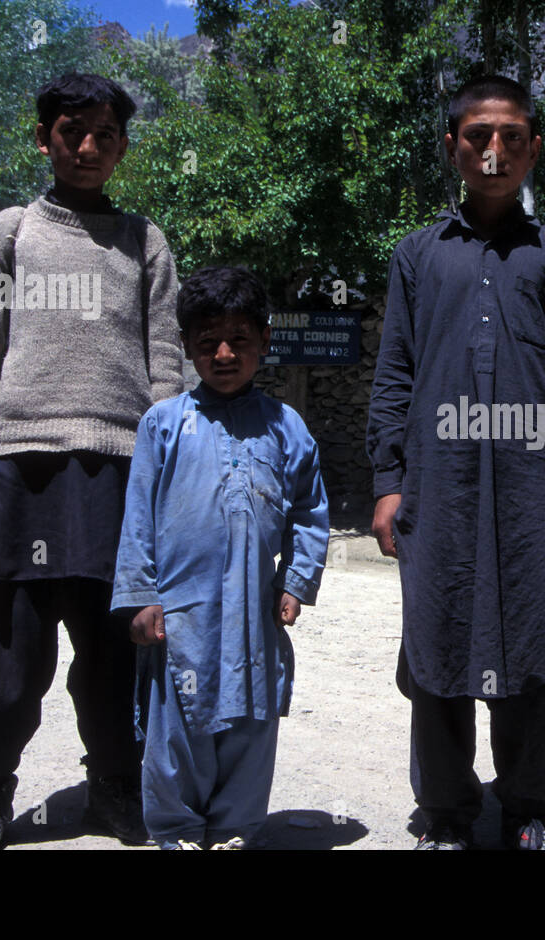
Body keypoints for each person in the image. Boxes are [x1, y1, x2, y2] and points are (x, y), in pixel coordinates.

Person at [0, 73, 183, 850]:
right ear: (43, 138)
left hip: (120, 467)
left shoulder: (144, 240)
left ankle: (114, 786)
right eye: (72, 131)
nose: (88, 147)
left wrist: (168, 457)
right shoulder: (8, 233)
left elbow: (167, 358)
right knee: (9, 645)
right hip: (21, 463)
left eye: (105, 135)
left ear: (122, 147)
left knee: (117, 644)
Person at [367, 74, 545, 850]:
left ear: (535, 147)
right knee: (437, 643)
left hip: (533, 490)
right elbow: (395, 374)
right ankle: (445, 812)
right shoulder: (416, 257)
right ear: (453, 147)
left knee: (536, 644)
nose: (495, 152)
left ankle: (534, 807)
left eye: (511, 137)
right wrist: (387, 481)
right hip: (439, 487)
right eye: (478, 137)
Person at [112, 266, 329, 850]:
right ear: (187, 347)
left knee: (252, 717)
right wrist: (139, 595)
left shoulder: (287, 428)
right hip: (180, 614)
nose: (225, 354)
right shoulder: (163, 424)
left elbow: (310, 511)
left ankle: (235, 826)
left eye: (240, 341)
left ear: (265, 341)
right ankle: (178, 828)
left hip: (255, 610)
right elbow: (137, 517)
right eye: (208, 343)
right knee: (174, 723)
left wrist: (298, 579)